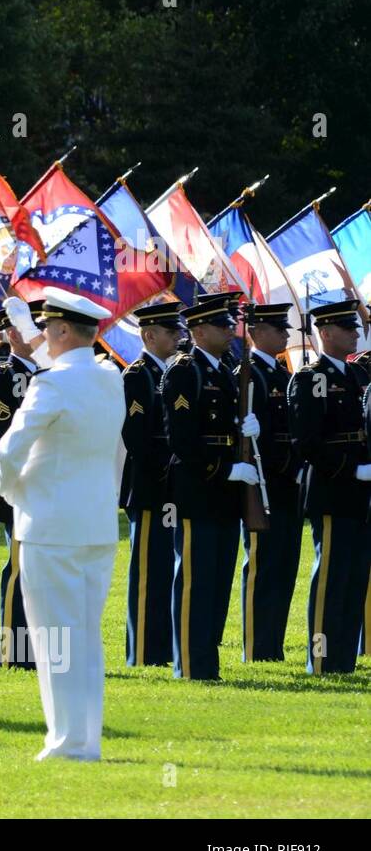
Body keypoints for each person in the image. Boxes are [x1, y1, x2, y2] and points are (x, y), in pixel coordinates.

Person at [0, 288, 124, 761]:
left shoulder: (53, 384)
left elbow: (9, 451)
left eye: (48, 327)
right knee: (85, 635)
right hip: (96, 523)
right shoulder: (112, 379)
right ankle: (85, 737)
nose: (43, 335)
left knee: (58, 639)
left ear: (64, 331)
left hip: (51, 525)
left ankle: (69, 742)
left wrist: (15, 493)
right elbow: (118, 454)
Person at [161, 292, 260, 681]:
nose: (230, 329)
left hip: (225, 493)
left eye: (230, 323)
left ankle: (208, 662)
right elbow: (182, 441)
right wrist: (226, 469)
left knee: (218, 582)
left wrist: (249, 431)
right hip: (199, 488)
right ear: (199, 330)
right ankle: (189, 662)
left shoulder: (225, 369)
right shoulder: (185, 371)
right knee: (195, 581)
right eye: (222, 324)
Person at [288, 299, 370, 675]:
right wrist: (351, 469)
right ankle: (321, 658)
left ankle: (343, 660)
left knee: (354, 578)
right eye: (347, 327)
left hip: (360, 493)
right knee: (331, 577)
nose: (356, 333)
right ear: (325, 333)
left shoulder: (356, 376)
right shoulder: (310, 378)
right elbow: (308, 441)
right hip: (334, 488)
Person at [119, 300, 183, 667]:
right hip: (149, 486)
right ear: (149, 335)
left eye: (177, 331)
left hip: (172, 485)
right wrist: (169, 465)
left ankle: (165, 647)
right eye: (170, 331)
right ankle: (143, 651)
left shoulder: (172, 372)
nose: (177, 337)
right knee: (148, 572)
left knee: (169, 570)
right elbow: (137, 438)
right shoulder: (137, 376)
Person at [238, 302, 302, 662]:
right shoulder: (248, 375)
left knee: (284, 568)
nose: (285, 334)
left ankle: (272, 646)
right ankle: (256, 647)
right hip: (263, 487)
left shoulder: (280, 374)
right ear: (256, 331)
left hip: (288, 486)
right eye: (278, 328)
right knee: (263, 569)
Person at [0, 304, 40, 670]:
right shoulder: (3, 375)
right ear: (13, 334)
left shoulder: (51, 373)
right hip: (20, 486)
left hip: (51, 485)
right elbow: (6, 433)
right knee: (19, 569)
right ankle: (15, 653)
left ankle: (41, 649)